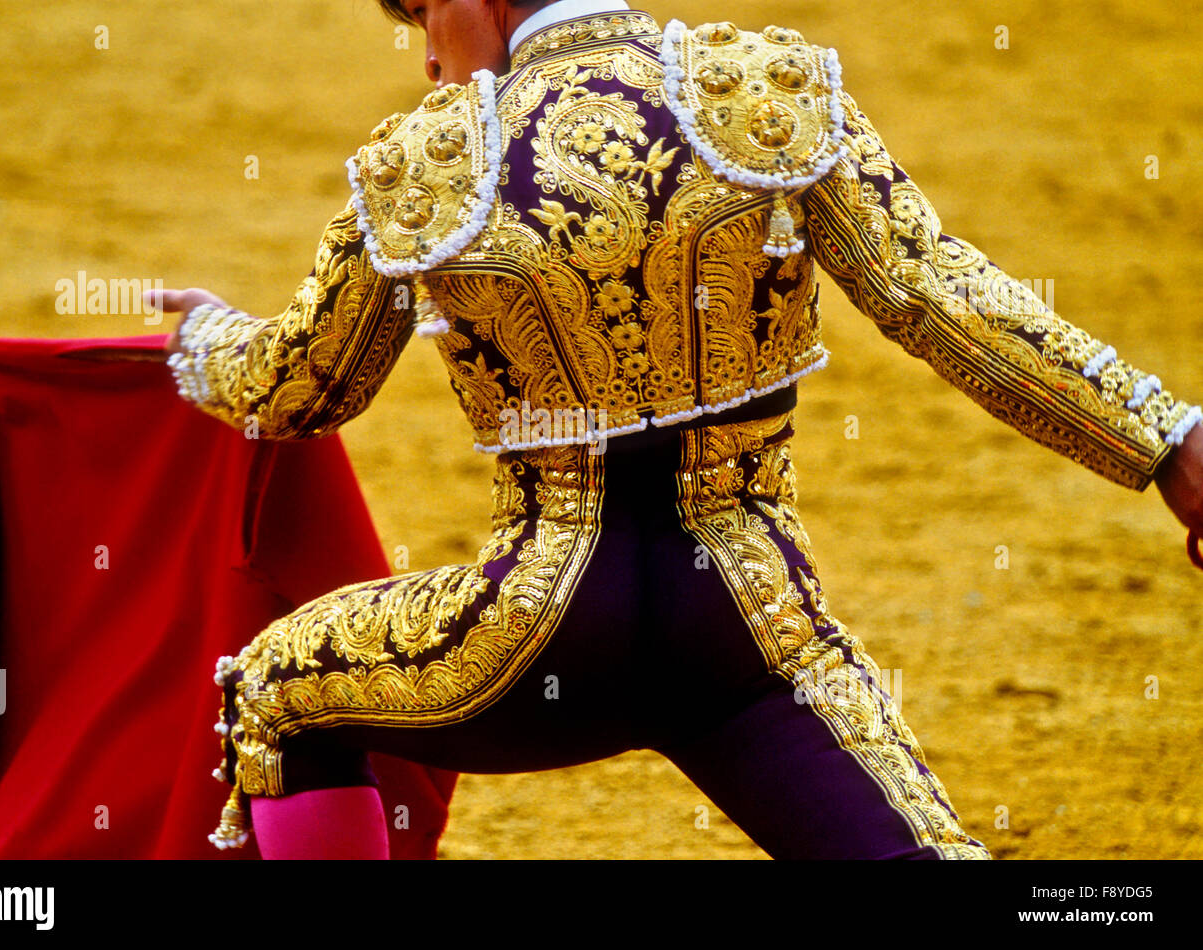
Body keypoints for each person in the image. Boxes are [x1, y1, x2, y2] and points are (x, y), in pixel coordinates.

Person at [152, 0, 1203, 859]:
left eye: (421, 14)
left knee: (280, 689)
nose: (428, 58)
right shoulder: (765, 94)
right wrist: (1166, 439)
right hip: (749, 631)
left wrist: (203, 339)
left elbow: (296, 391)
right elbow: (941, 303)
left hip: (531, 633)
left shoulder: (426, 161)